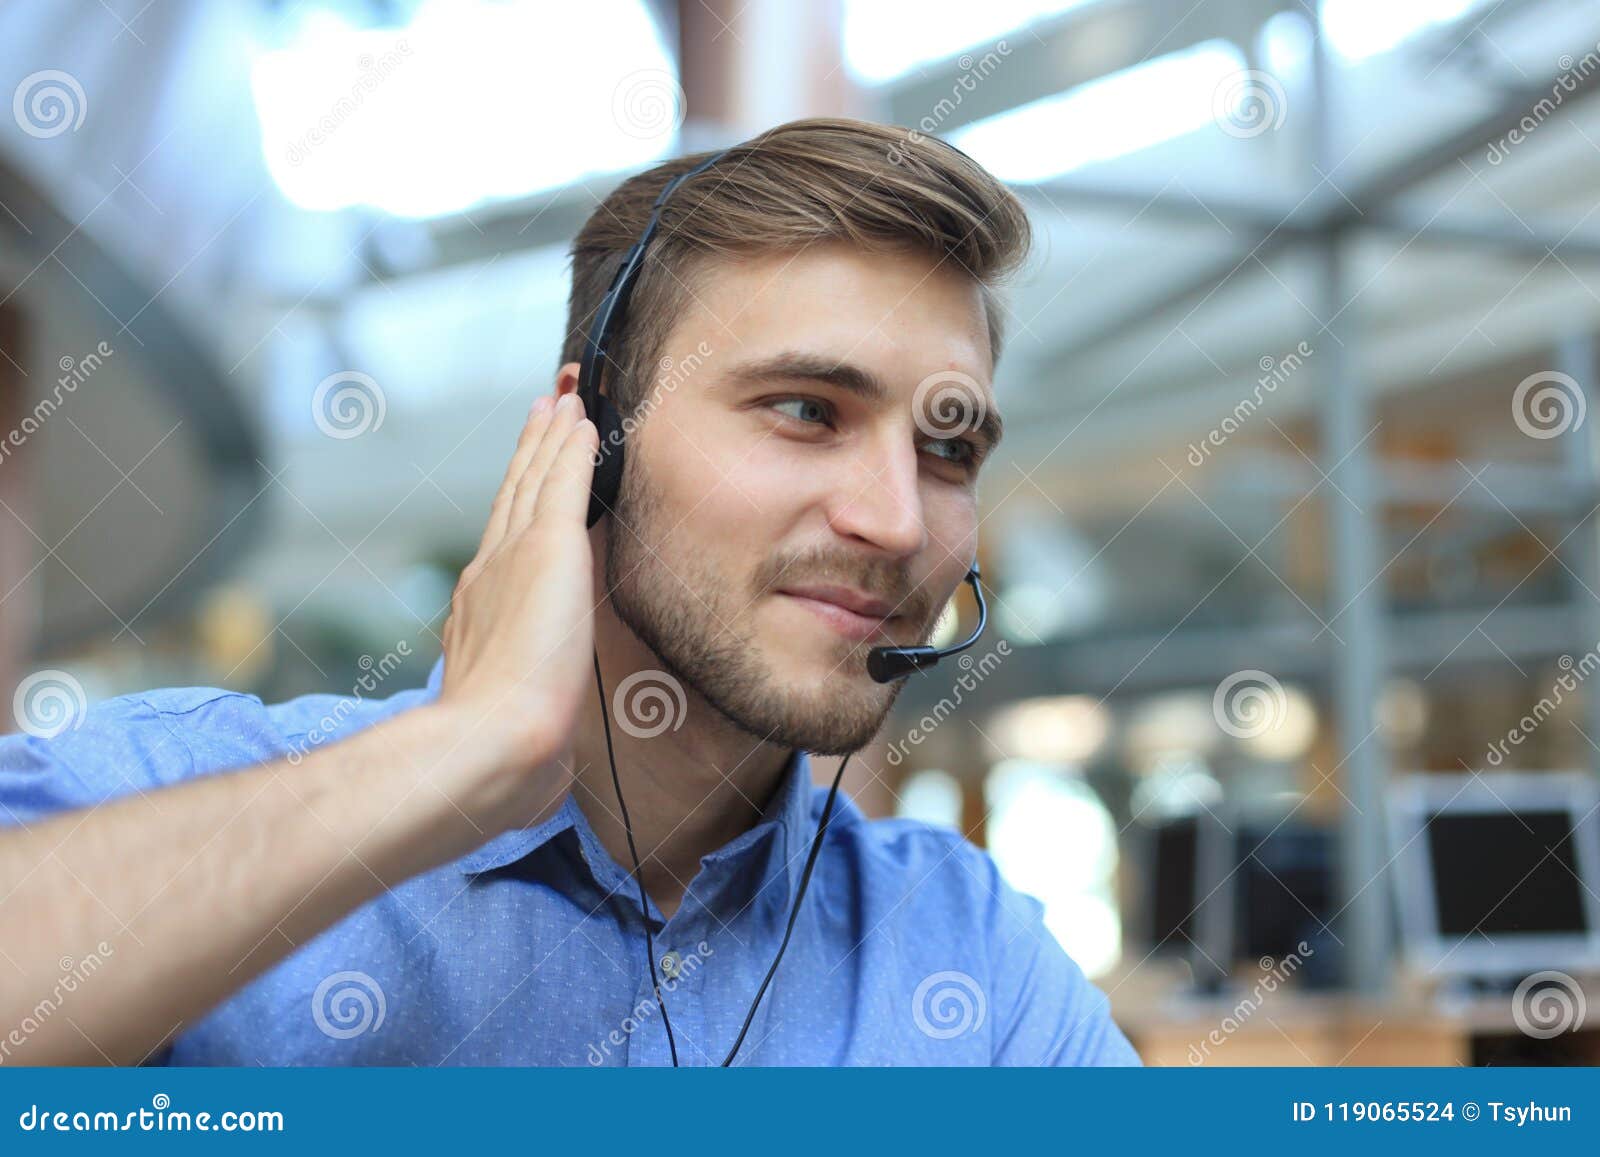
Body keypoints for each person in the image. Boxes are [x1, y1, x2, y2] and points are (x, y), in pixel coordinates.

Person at [0, 117, 1139, 1066]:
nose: (895, 520)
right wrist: (470, 748)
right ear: (586, 441)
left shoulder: (965, 949)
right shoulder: (156, 792)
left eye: (948, 449)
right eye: (804, 409)